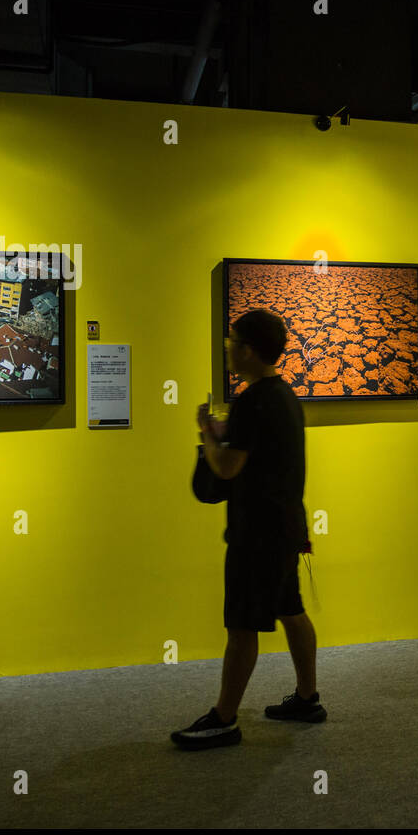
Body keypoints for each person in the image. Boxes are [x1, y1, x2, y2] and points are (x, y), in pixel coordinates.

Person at [172, 309, 323, 750]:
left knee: (241, 626)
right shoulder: (286, 397)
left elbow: (227, 466)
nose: (228, 348)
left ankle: (223, 718)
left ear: (249, 350)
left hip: (255, 534)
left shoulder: (253, 401)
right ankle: (308, 698)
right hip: (285, 526)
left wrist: (206, 432)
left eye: (232, 341)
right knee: (291, 610)